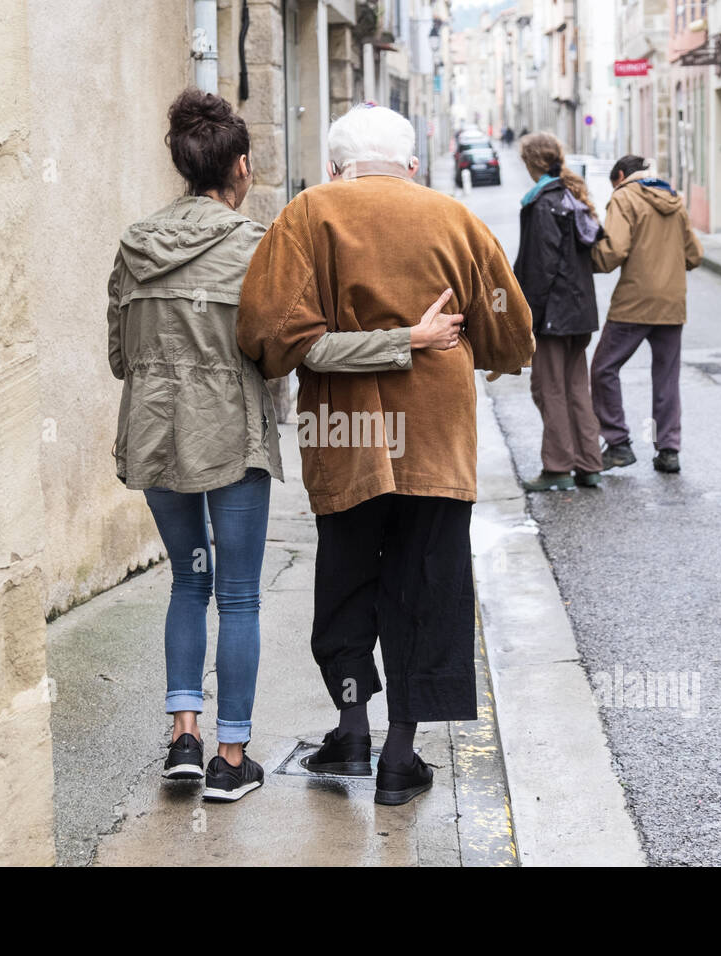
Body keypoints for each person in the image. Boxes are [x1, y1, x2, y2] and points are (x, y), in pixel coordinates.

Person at [106, 89, 464, 803]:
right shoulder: (260, 246)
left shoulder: (135, 243)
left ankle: (184, 735)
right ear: (240, 168)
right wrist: (408, 341)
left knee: (188, 581)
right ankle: (231, 758)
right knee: (237, 598)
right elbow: (298, 353)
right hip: (233, 441)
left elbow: (120, 357)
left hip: (152, 436)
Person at [237, 104, 534, 807]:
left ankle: (351, 729)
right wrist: (467, 345)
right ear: (412, 164)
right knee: (427, 584)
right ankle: (401, 757)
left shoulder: (307, 215)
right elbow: (511, 329)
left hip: (346, 439)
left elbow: (267, 332)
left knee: (346, 581)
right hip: (436, 437)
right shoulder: (456, 219)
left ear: (337, 165)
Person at [590, 155, 703, 474]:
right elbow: (694, 255)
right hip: (672, 303)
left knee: (603, 369)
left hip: (634, 302)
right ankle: (668, 450)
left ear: (621, 175)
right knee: (666, 377)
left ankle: (618, 443)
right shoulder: (673, 199)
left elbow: (613, 251)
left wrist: (587, 263)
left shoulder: (624, 197)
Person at [513, 132, 605, 491]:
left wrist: (527, 317)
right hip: (579, 312)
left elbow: (541, 267)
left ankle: (557, 468)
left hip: (553, 314)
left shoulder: (542, 202)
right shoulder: (572, 195)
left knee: (548, 387)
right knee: (576, 387)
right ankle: (589, 464)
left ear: (532, 163)